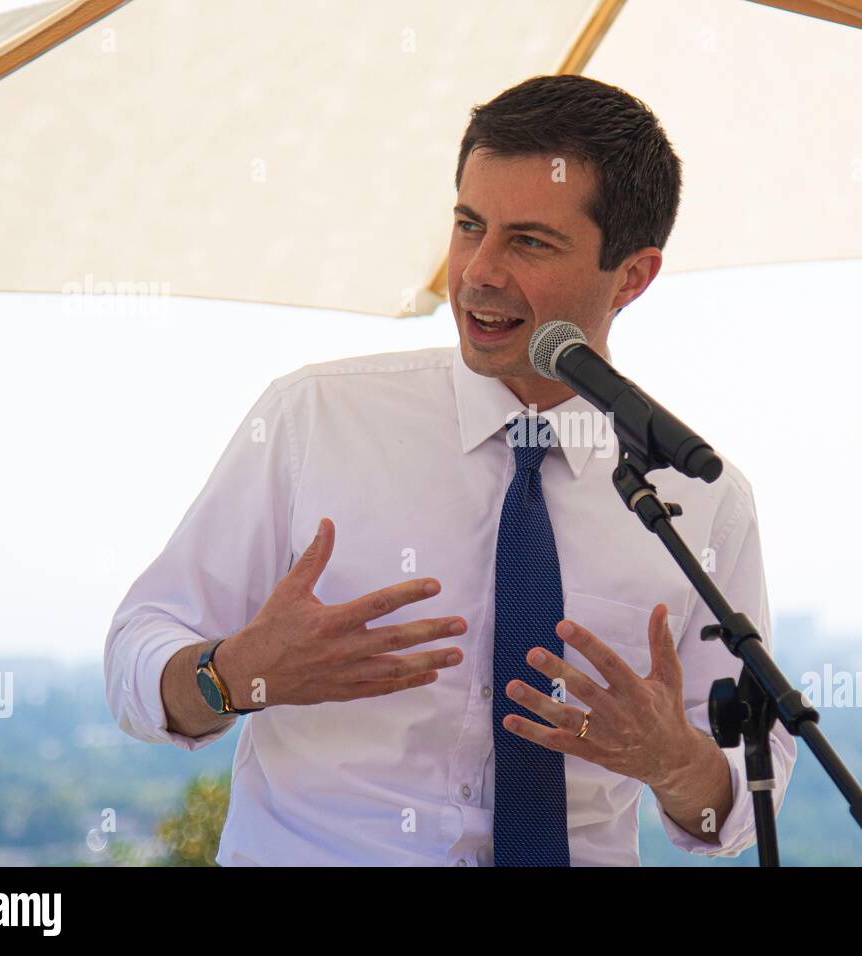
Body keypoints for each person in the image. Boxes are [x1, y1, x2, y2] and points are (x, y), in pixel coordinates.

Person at [105, 73, 796, 866]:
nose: (477, 272)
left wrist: (674, 762)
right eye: (470, 225)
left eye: (529, 241)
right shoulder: (313, 419)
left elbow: (740, 807)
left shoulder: (701, 499)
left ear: (633, 275)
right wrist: (232, 674)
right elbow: (135, 652)